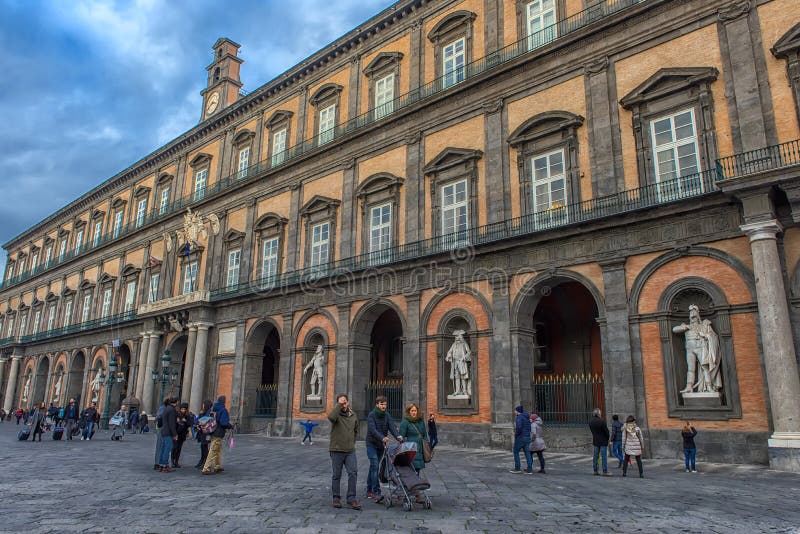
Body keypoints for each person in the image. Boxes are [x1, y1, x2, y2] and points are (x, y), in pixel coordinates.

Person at [365, 396, 401, 501]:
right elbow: (372, 430)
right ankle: (376, 491)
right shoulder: (371, 415)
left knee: (373, 467)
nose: (384, 406)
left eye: (385, 404)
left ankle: (369, 490)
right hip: (371, 444)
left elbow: (392, 427)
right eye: (381, 404)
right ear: (377, 404)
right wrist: (382, 437)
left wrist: (398, 436)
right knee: (375, 465)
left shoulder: (387, 415)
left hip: (381, 446)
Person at [328, 393, 360, 510]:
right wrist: (338, 406)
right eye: (341, 402)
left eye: (345, 402)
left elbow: (356, 430)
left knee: (353, 473)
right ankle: (336, 498)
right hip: (336, 449)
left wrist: (352, 442)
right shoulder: (336, 415)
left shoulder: (353, 415)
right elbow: (331, 417)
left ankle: (351, 498)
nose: (344, 404)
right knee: (337, 475)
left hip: (350, 450)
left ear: (348, 402)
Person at [398, 402, 428, 503]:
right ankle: (413, 493)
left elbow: (424, 434)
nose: (414, 413)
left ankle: (416, 493)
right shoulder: (405, 422)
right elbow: (401, 437)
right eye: (412, 411)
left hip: (420, 448)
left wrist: (427, 445)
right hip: (410, 449)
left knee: (417, 471)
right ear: (408, 412)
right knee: (411, 471)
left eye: (415, 411)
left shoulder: (420, 421)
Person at [202, 395, 231, 475]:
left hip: (211, 431)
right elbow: (223, 423)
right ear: (224, 401)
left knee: (218, 449)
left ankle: (217, 466)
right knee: (214, 449)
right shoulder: (223, 410)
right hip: (218, 432)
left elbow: (206, 418)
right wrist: (230, 425)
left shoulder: (212, 409)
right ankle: (206, 468)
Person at [509, 405, 533, 474]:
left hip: (521, 437)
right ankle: (529, 469)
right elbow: (529, 428)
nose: (514, 411)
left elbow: (519, 428)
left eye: (515, 410)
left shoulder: (519, 417)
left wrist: (516, 435)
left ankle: (517, 468)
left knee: (515, 451)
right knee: (527, 453)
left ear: (518, 411)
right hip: (527, 437)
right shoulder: (527, 417)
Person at [589, 408, 611, 476]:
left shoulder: (591, 422)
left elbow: (592, 431)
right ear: (599, 414)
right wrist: (607, 438)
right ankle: (605, 471)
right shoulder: (602, 421)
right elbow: (607, 432)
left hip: (595, 440)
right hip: (603, 441)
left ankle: (595, 470)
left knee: (595, 456)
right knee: (604, 456)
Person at [158, 398, 178, 472]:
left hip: (164, 431)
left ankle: (161, 464)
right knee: (167, 449)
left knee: (163, 448)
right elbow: (172, 423)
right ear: (175, 402)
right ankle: (165, 465)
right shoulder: (172, 410)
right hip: (168, 432)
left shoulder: (166, 409)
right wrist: (175, 434)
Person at [172, 403, 193, 468]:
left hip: (182, 434)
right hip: (176, 433)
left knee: (179, 448)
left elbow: (190, 424)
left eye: (184, 409)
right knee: (174, 448)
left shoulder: (187, 416)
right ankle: (172, 461)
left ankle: (176, 462)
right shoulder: (177, 414)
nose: (183, 410)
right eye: (182, 409)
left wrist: (185, 421)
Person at [195, 400, 213, 469]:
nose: (202, 406)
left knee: (204, 446)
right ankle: (202, 460)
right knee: (203, 446)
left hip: (206, 432)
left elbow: (204, 420)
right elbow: (197, 420)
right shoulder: (203, 412)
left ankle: (205, 461)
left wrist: (199, 421)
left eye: (203, 404)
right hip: (202, 432)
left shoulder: (209, 412)